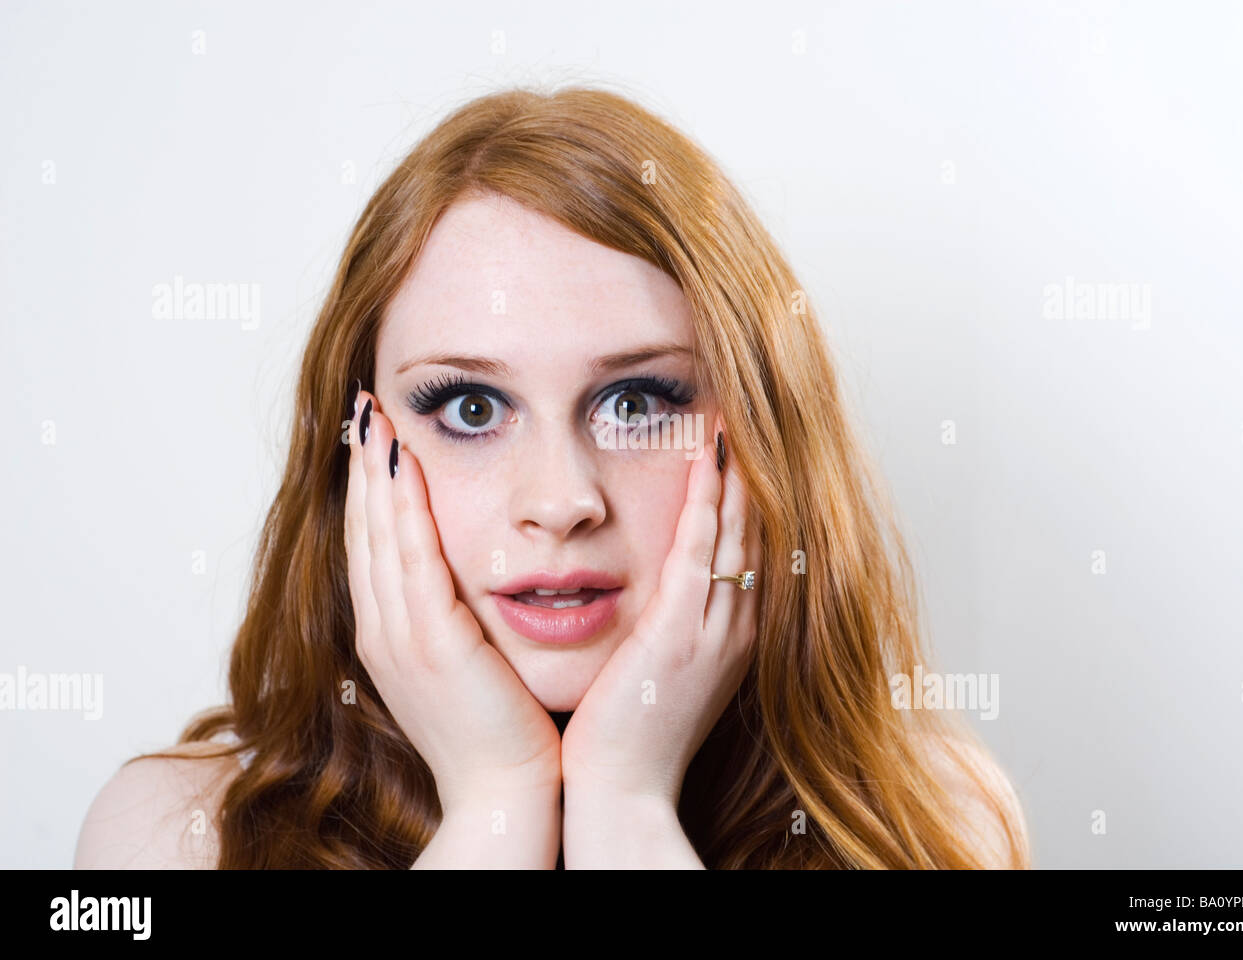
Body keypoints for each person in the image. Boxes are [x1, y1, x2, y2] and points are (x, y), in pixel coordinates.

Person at [74, 85, 1030, 869]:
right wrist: (496, 808)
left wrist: (626, 809)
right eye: (470, 409)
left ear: (760, 442)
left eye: (638, 403)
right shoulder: (173, 837)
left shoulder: (926, 825)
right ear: (358, 452)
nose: (562, 503)